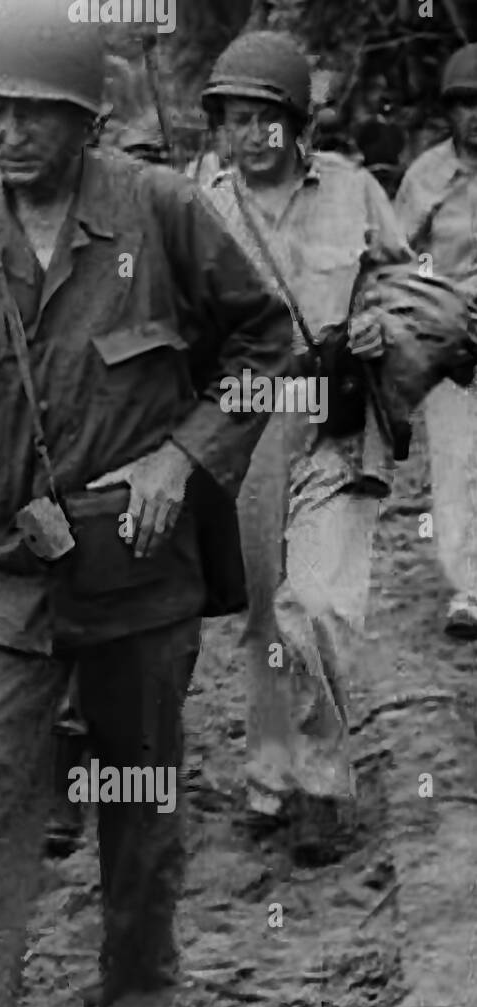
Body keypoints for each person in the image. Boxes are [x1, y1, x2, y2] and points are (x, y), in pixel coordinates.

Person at [0, 0, 292, 1007]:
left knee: (136, 790)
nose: (5, 133)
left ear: (84, 121)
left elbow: (268, 346)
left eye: (34, 115)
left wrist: (182, 456)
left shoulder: (159, 210)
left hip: (135, 566)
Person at [199, 32, 415, 842]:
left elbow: (406, 279)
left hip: (339, 424)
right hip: (250, 426)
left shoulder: (355, 191)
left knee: (315, 604)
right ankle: (271, 776)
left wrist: (377, 323)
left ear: (298, 125)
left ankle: (324, 779)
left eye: (265, 119)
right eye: (233, 120)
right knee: (263, 612)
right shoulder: (206, 205)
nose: (250, 138)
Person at [394, 44, 477, 639]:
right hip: (456, 346)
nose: (476, 116)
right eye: (465, 105)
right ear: (449, 112)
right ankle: (467, 590)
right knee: (456, 463)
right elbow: (396, 260)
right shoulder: (427, 176)